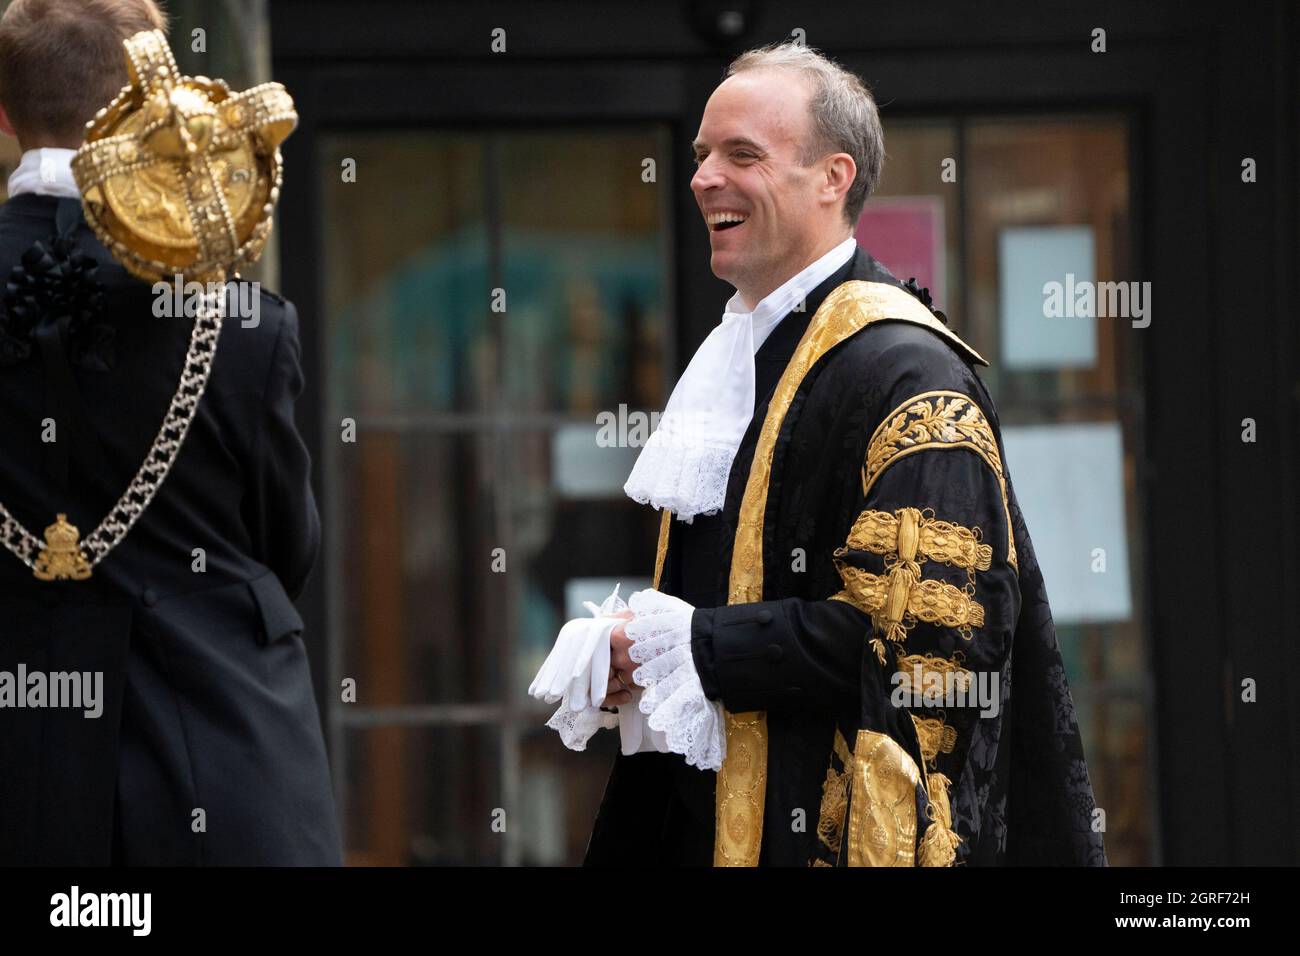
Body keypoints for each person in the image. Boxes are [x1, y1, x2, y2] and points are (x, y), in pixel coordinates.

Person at [579, 42, 1107, 866]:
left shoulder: (908, 371)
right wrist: (633, 652)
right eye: (702, 155)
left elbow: (926, 657)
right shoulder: (739, 357)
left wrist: (694, 646)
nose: (702, 177)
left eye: (741, 154)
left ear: (834, 177)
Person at [0, 0, 341, 865]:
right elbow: (285, 546)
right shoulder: (241, 320)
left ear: (1, 115)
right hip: (218, 775)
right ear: (147, 102)